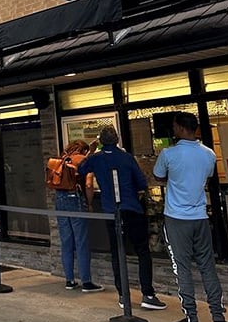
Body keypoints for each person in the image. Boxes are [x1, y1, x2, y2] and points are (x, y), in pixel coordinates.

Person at [153, 112, 228, 322]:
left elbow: (158, 176)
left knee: (182, 268)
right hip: (200, 216)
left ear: (180, 128)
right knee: (207, 267)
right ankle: (218, 318)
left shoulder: (168, 153)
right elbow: (207, 177)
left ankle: (191, 317)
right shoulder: (208, 154)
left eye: (174, 126)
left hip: (176, 217)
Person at [78, 125, 166, 310]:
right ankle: (148, 294)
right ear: (117, 140)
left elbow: (81, 168)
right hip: (132, 208)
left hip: (111, 211)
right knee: (142, 251)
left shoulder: (96, 159)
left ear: (101, 141)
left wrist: (91, 151)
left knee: (117, 253)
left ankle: (122, 294)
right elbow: (142, 182)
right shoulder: (127, 157)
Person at [54, 140, 103, 293]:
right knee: (81, 241)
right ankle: (86, 281)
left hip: (59, 200)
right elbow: (88, 184)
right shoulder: (83, 160)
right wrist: (89, 203)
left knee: (66, 241)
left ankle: (69, 280)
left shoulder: (62, 158)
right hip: (75, 200)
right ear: (83, 150)